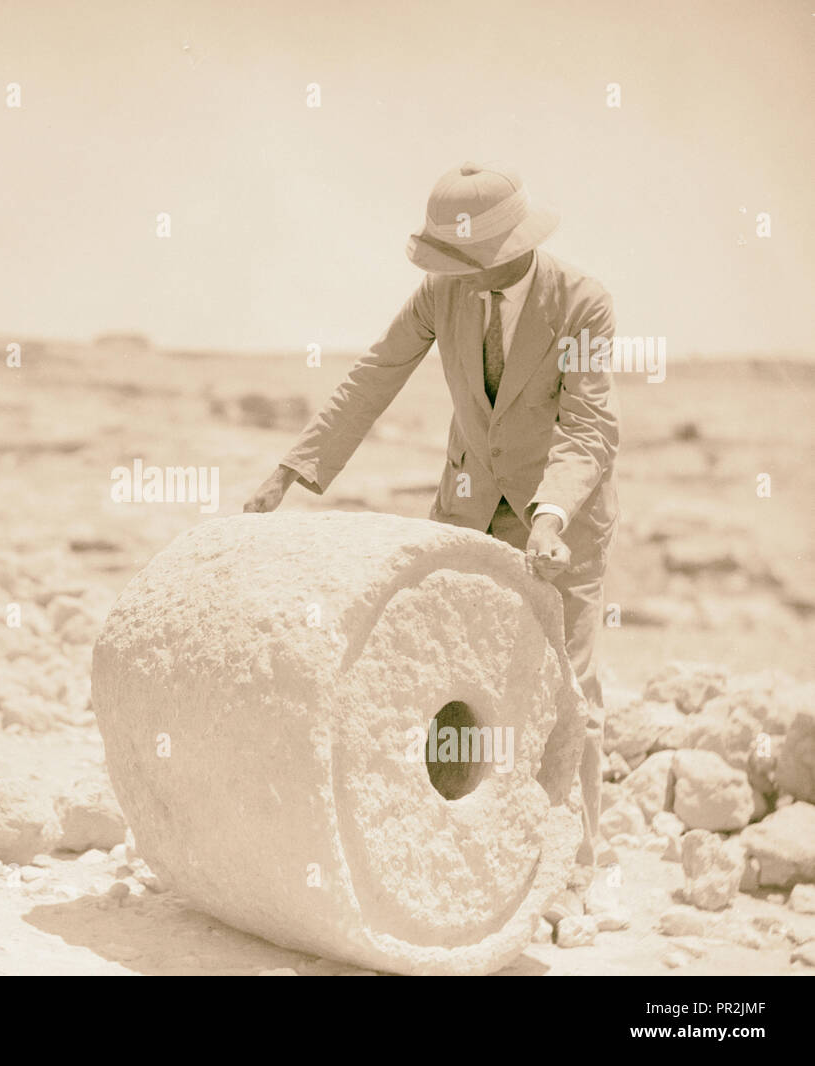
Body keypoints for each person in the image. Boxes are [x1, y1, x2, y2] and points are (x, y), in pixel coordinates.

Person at [245, 161, 619, 870]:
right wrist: (294, 467)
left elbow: (589, 425)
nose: (460, 273)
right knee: (454, 675)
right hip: (468, 507)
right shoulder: (441, 292)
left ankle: (574, 868)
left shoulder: (581, 303)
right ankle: (465, 852)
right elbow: (375, 374)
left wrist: (551, 515)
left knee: (569, 689)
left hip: (561, 524)